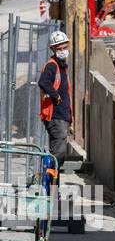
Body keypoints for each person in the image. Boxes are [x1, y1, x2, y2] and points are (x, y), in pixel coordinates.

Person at [38, 30, 73, 162]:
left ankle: (51, 181)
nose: (63, 50)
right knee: (58, 154)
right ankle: (48, 179)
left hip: (61, 117)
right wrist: (55, 96)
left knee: (58, 154)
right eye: (59, 48)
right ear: (53, 49)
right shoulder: (52, 66)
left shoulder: (62, 66)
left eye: (65, 47)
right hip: (55, 117)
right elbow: (43, 82)